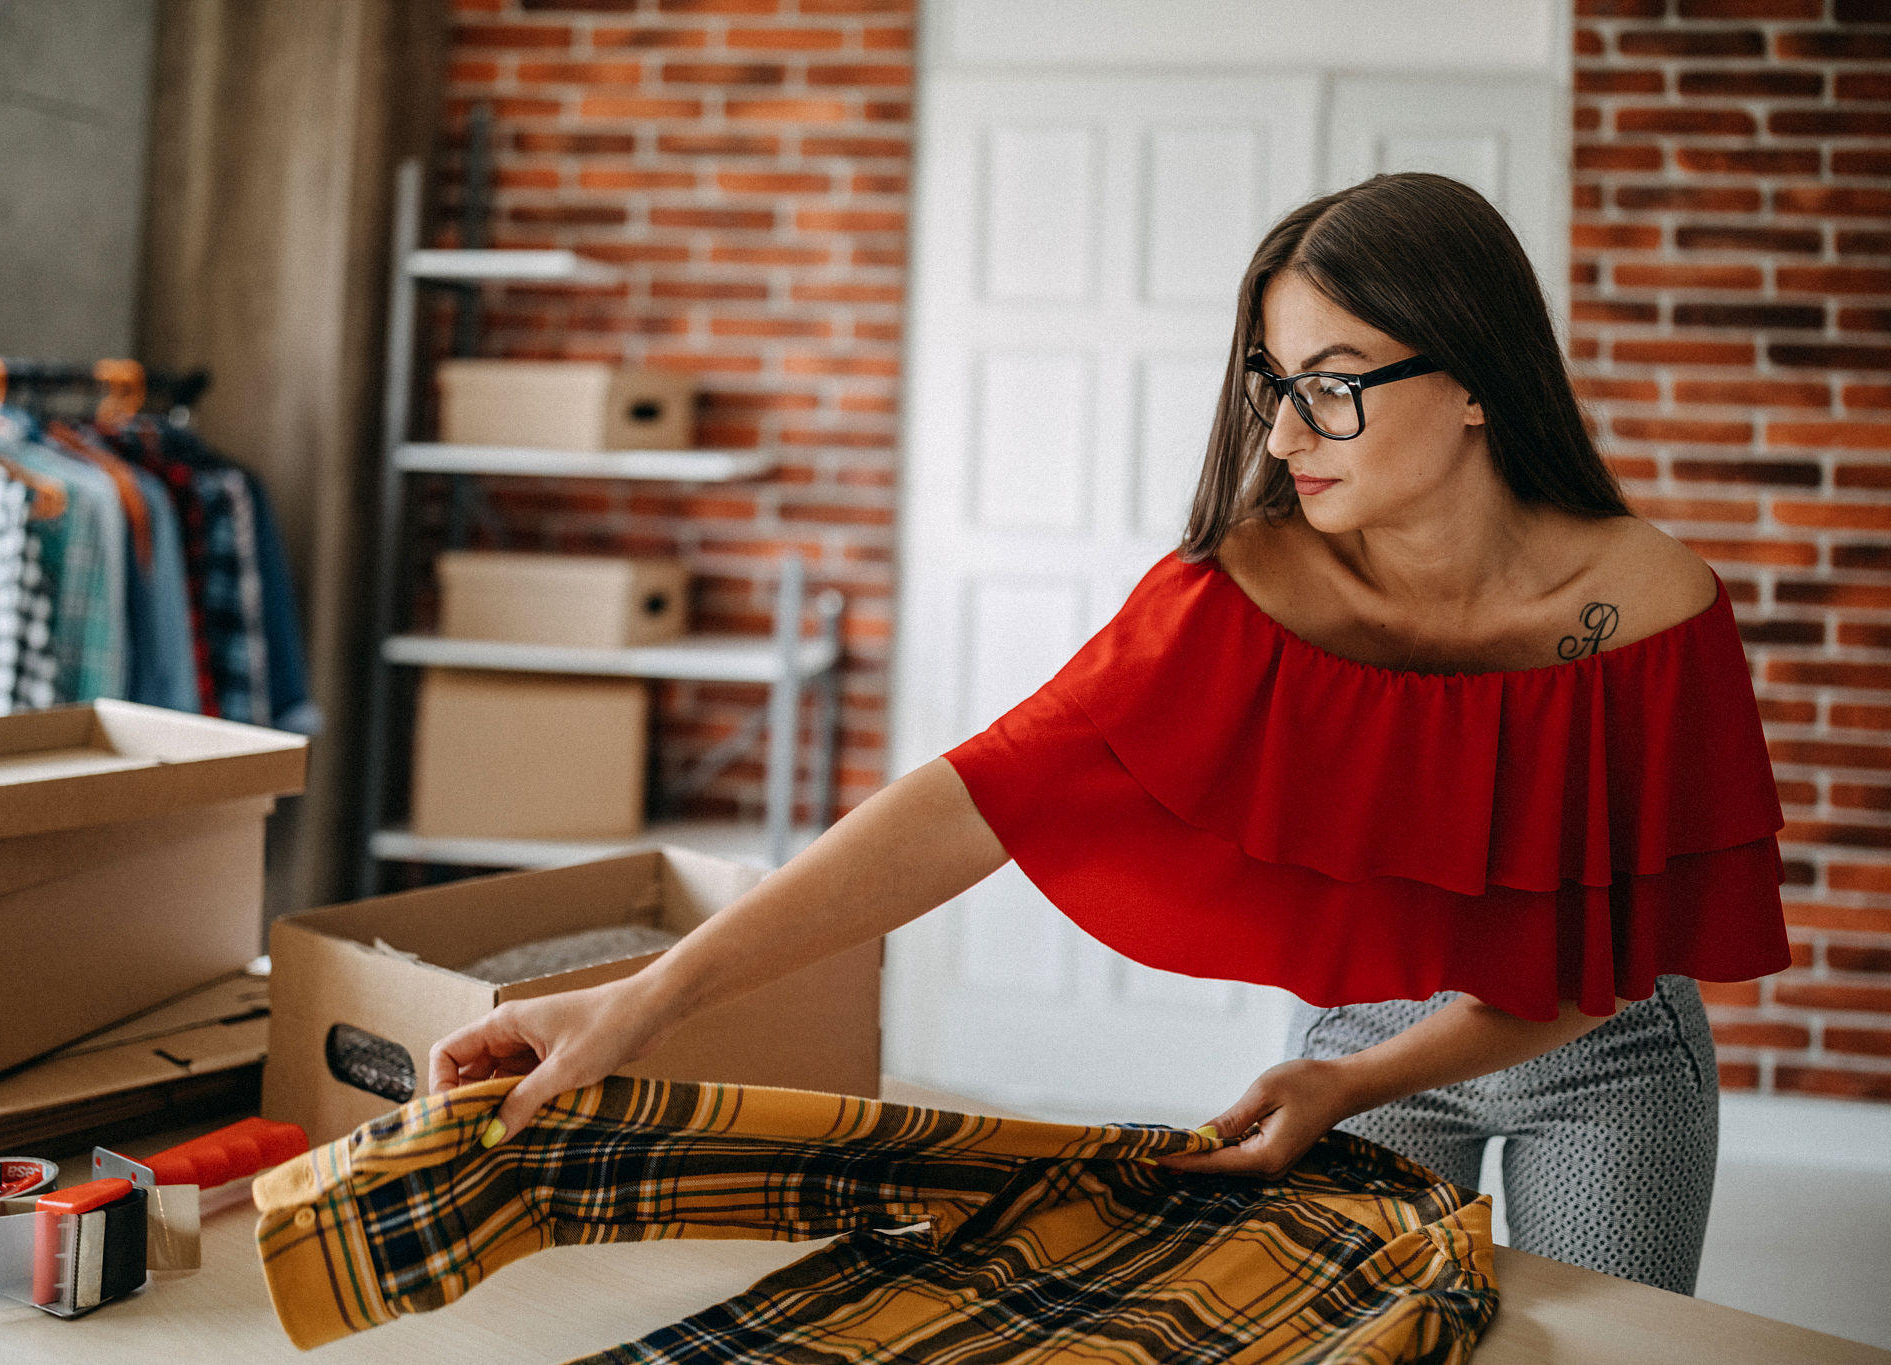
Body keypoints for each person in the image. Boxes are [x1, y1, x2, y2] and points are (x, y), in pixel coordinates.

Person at [430, 173, 1790, 1297]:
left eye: (1335, 381)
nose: (1285, 426)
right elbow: (970, 797)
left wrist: (1354, 1076)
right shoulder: (1240, 593)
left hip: (1601, 1055)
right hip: (1353, 1038)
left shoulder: (1651, 608)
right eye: (1272, 380)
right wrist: (642, 1000)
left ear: (1479, 381)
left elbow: (1592, 968)